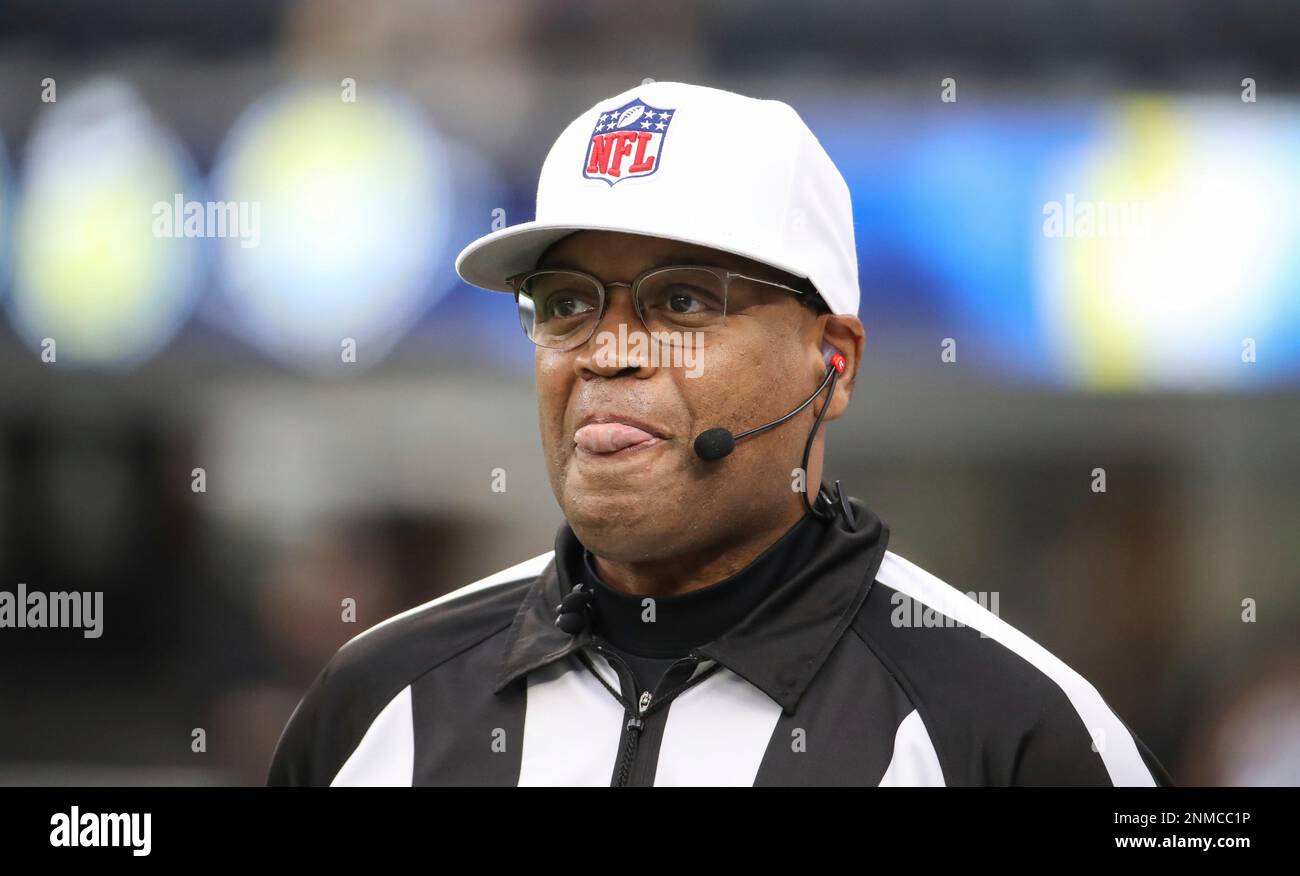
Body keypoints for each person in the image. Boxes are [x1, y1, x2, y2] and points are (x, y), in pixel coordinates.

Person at [267, 81, 1172, 786]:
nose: (607, 353)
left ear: (834, 363)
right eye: (566, 304)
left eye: (683, 301)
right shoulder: (380, 700)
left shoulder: (1013, 729)